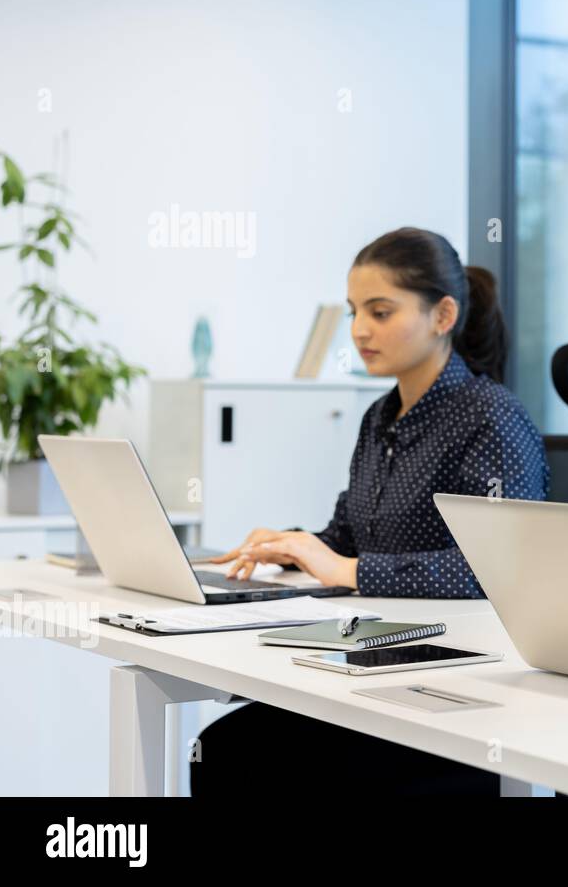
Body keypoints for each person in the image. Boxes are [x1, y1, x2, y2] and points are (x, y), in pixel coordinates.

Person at [191, 227, 549, 796]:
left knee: (242, 757)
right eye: (356, 310)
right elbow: (347, 535)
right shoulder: (380, 416)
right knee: (223, 752)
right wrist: (289, 545)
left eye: (381, 312)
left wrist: (348, 571)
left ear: (443, 315)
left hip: (456, 690)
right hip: (376, 662)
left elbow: (502, 572)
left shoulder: (492, 418)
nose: (359, 330)